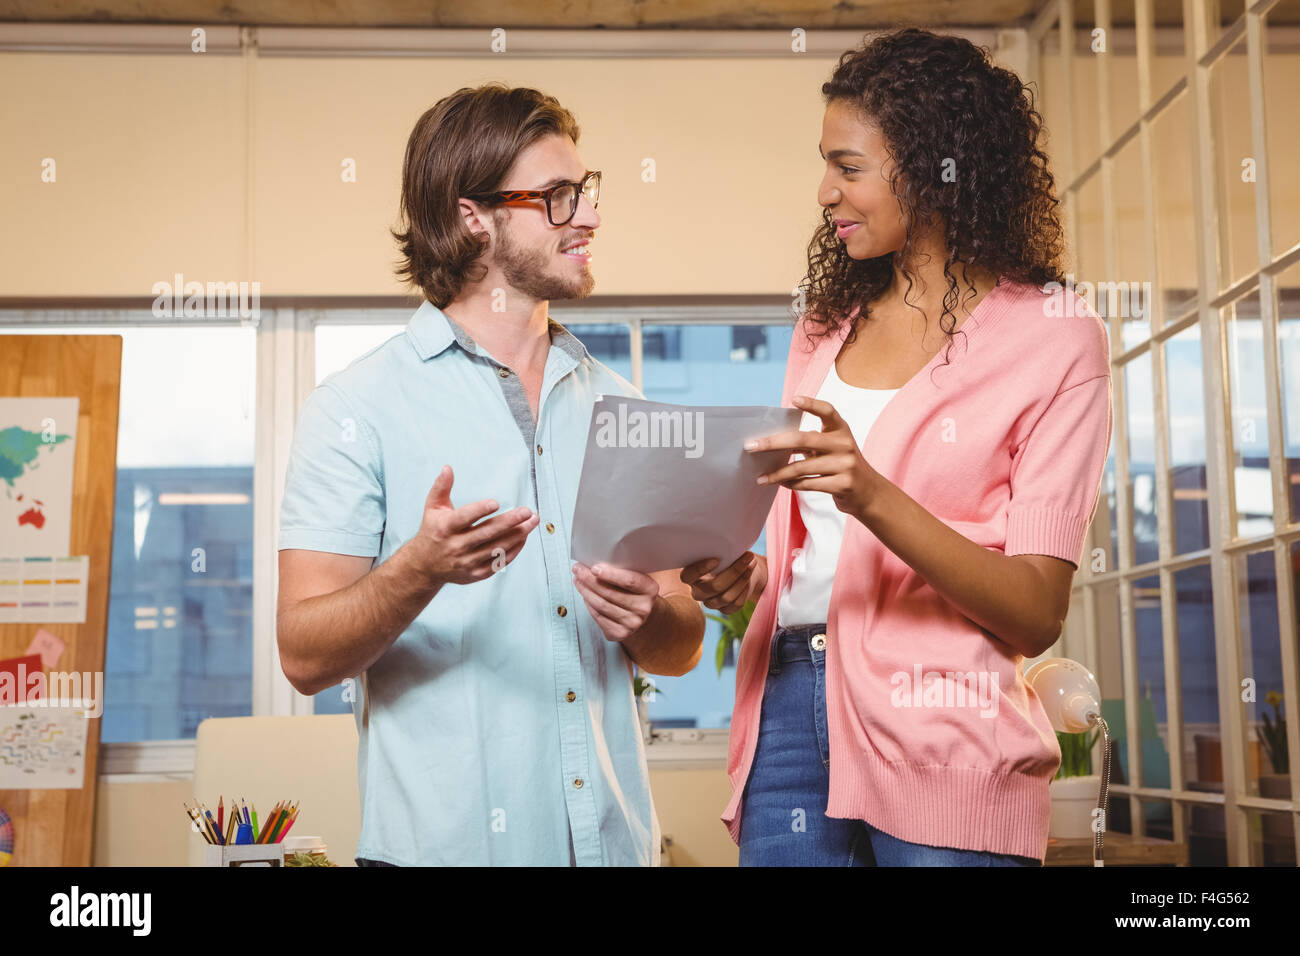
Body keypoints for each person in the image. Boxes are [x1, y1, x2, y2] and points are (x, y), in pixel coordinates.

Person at [683, 28, 1112, 866]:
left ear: (932, 169)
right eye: (825, 166)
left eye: (848, 168)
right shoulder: (824, 327)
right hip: (786, 711)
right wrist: (751, 580)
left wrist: (871, 494)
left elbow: (1035, 611)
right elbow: (825, 559)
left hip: (946, 730)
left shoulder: (1056, 337)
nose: (825, 192)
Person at [276, 83, 704, 866]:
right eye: (558, 196)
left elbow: (679, 645)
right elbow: (302, 655)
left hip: (615, 850)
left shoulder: (625, 407)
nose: (589, 215)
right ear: (474, 216)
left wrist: (650, 618)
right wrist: (419, 570)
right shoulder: (355, 407)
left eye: (587, 190)